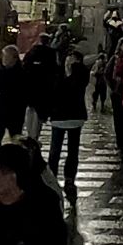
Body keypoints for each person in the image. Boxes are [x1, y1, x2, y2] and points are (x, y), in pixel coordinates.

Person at [48, 49, 90, 198]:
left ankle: (69, 178)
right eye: (68, 58)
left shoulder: (81, 74)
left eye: (74, 59)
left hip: (74, 117)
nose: (69, 61)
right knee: (55, 150)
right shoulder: (57, 73)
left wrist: (75, 69)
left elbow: (76, 87)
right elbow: (52, 90)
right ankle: (51, 177)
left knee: (72, 150)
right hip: (58, 117)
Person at [0, 46, 25, 145]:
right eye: (3, 56)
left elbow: (25, 95)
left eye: (6, 56)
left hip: (15, 114)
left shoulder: (21, 74)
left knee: (16, 141)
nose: (3, 59)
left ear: (14, 58)